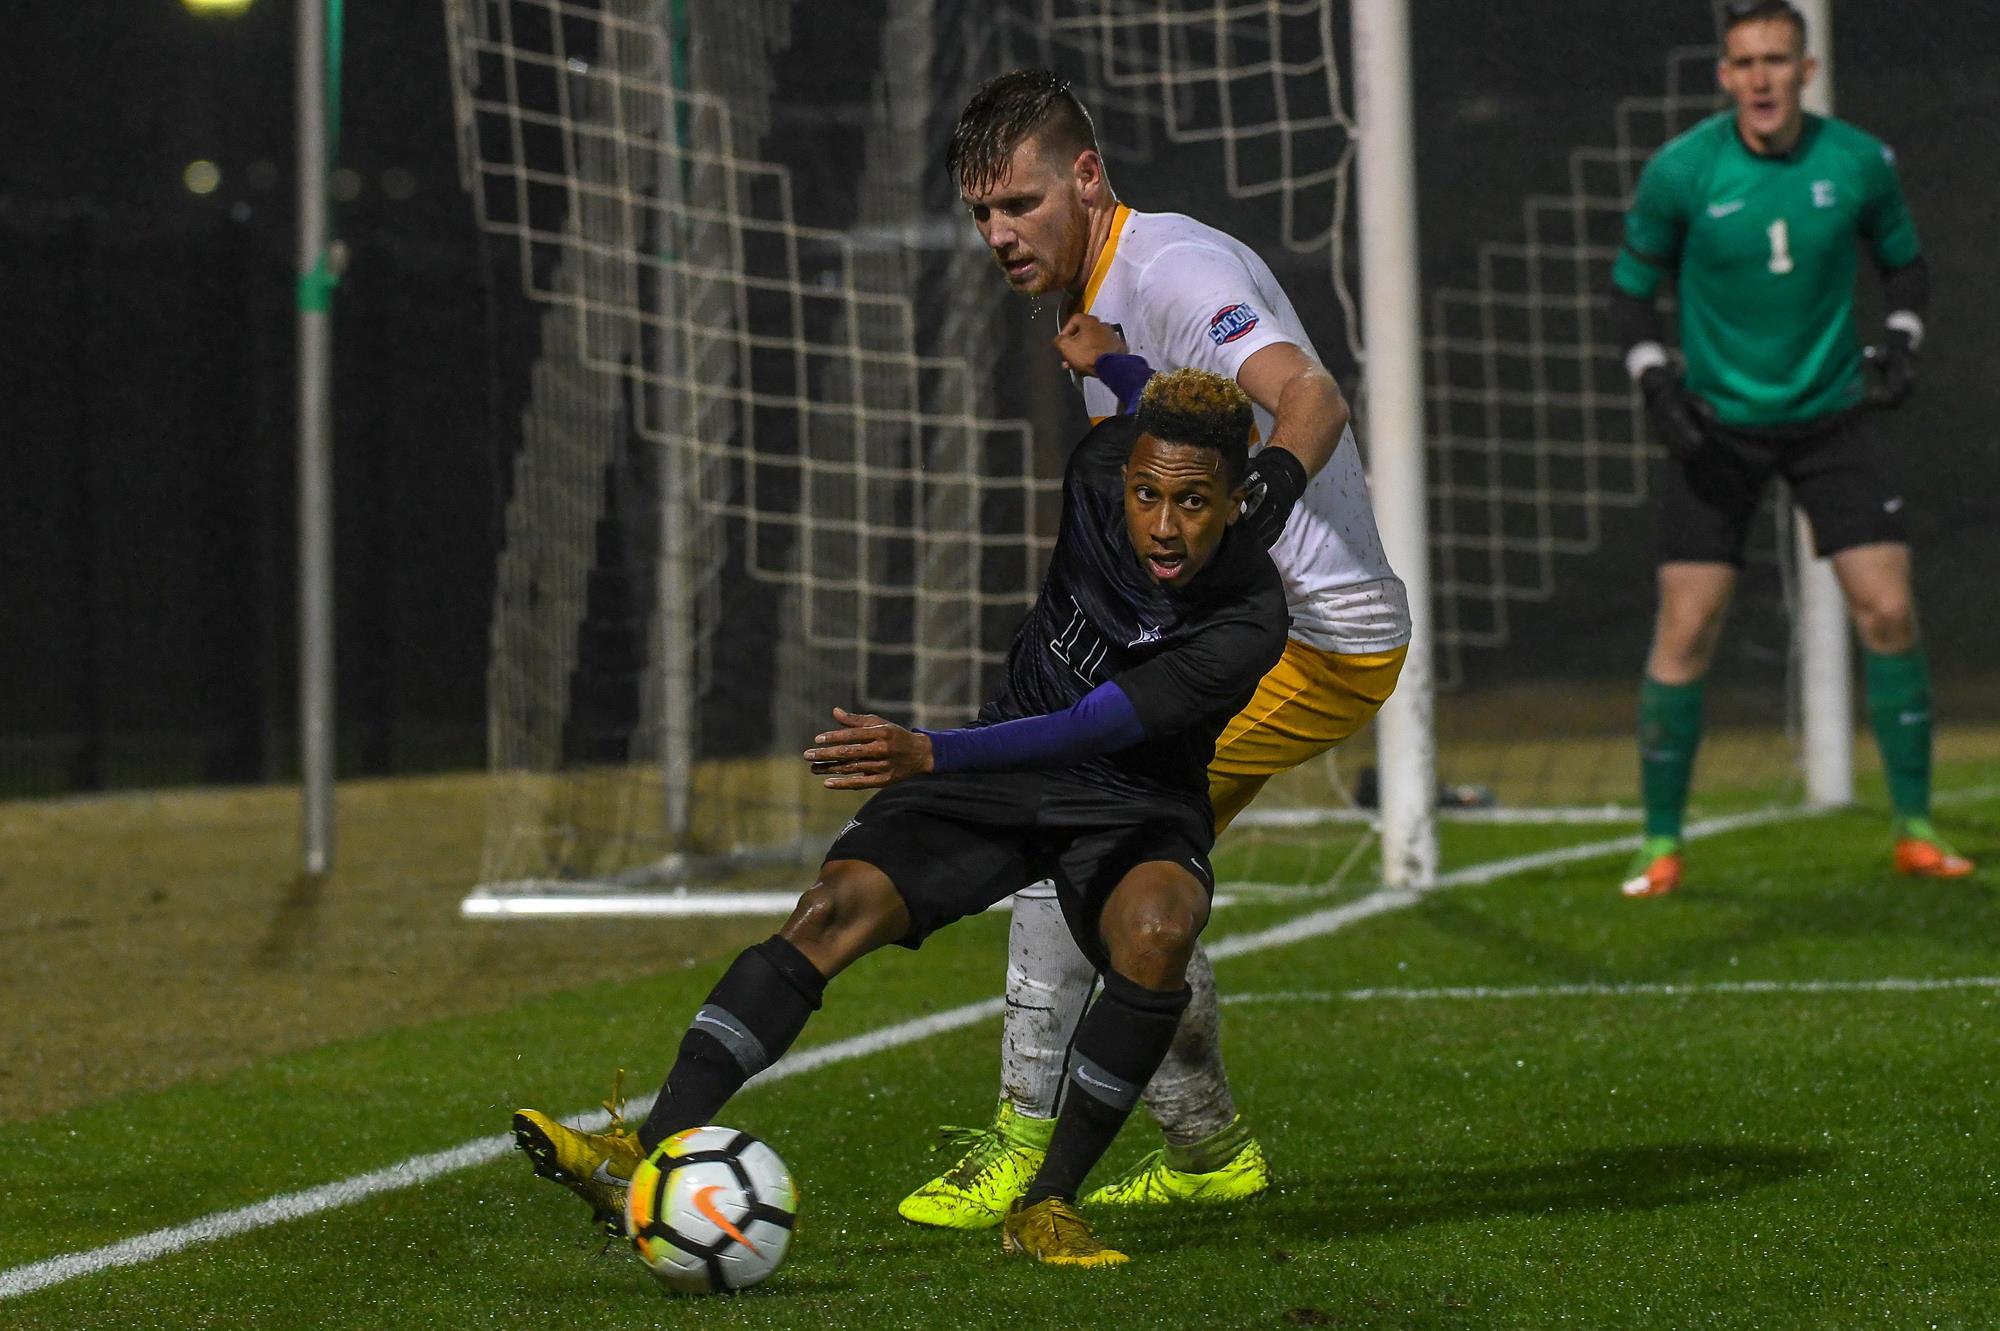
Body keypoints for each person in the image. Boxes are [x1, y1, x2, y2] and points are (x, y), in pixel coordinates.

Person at [513, 368, 1289, 1266]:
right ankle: (642, 1152)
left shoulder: (1251, 616)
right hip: (1008, 759)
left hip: (1134, 795)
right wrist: (1103, 354)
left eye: (1192, 502)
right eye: (1147, 493)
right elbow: (1131, 394)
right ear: (1124, 473)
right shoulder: (1097, 464)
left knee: (1157, 931)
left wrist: (931, 752)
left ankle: (1047, 1205)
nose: (1162, 523)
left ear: (1235, 500)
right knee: (830, 908)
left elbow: (1094, 725)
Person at [895, 68, 1410, 1230]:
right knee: (1116, 877)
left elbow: (1309, 399)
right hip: (1251, 640)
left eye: (1019, 203)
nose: (999, 233)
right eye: (981, 213)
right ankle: (1202, 1144)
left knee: (1063, 836)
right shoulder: (1106, 298)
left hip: (1312, 642)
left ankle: (1021, 1149)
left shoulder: (1175, 272)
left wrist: (1254, 509)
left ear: (1085, 175)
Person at [1610, 0, 1972, 899]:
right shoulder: (1682, 171)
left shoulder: (1857, 160)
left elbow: (1907, 265)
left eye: (1778, 59)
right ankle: (1661, 842)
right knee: (1687, 627)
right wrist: (1655, 377)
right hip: (1718, 422)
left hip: (1831, 416)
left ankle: (1916, 827)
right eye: (1745, 62)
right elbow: (1629, 291)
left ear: (1805, 72)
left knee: (1888, 611)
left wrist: (1903, 336)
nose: (1762, 77)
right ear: (1724, 75)